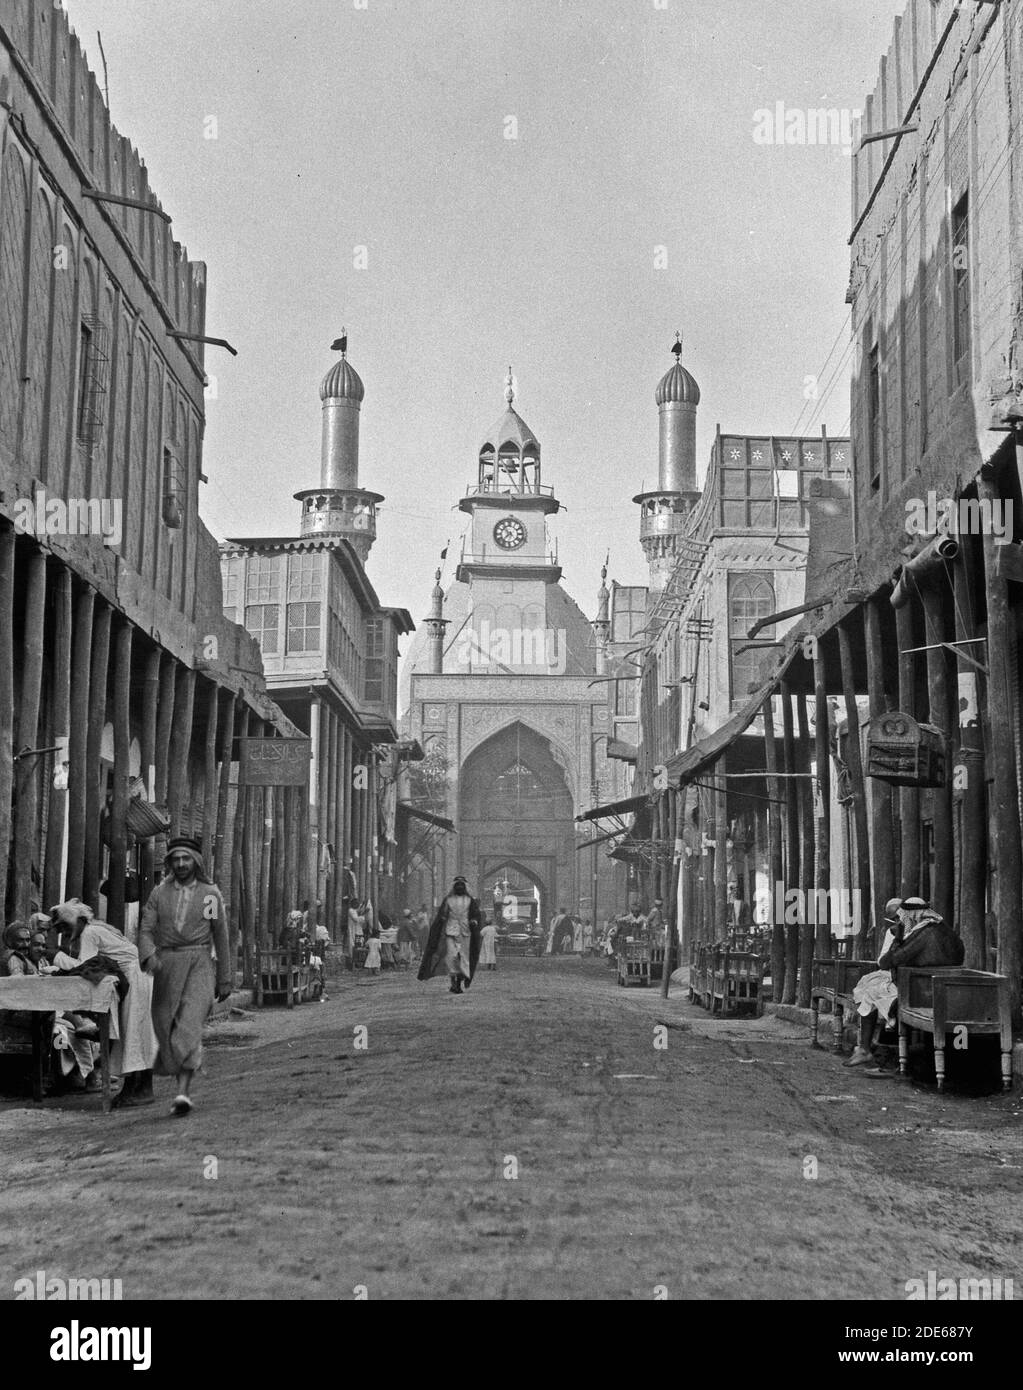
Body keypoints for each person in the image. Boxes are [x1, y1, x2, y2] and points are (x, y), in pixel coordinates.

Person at [138, 835, 231, 1117]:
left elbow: (220, 934)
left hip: (200, 962)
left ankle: (183, 1094)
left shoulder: (210, 894)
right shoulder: (158, 893)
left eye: (186, 858)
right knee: (166, 1025)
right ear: (169, 862)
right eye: (176, 859)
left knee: (188, 1025)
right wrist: (149, 954)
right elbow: (145, 929)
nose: (180, 864)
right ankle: (181, 1081)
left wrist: (224, 977)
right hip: (167, 964)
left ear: (196, 861)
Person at [50, 898, 158, 1108]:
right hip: (140, 978)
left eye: (65, 925)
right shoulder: (97, 928)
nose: (63, 931)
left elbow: (85, 965)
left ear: (79, 920)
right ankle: (140, 1088)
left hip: (134, 979)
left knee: (133, 1034)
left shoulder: (90, 933)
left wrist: (57, 958)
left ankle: (138, 1090)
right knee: (139, 1033)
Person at [846, 896, 964, 1073]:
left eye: (903, 917)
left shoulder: (922, 934)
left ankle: (872, 1051)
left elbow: (887, 962)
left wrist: (898, 938)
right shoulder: (945, 930)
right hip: (951, 992)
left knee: (874, 992)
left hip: (924, 994)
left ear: (912, 915)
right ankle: (870, 1049)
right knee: (875, 988)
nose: (901, 921)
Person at [418, 876, 482, 994]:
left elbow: (476, 914)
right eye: (457, 885)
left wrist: (474, 921)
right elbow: (442, 914)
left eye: (461, 885)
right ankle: (454, 983)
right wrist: (442, 919)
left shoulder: (470, 901)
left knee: (464, 959)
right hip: (450, 932)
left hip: (465, 932)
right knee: (452, 958)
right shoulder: (447, 900)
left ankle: (459, 982)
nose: (459, 887)